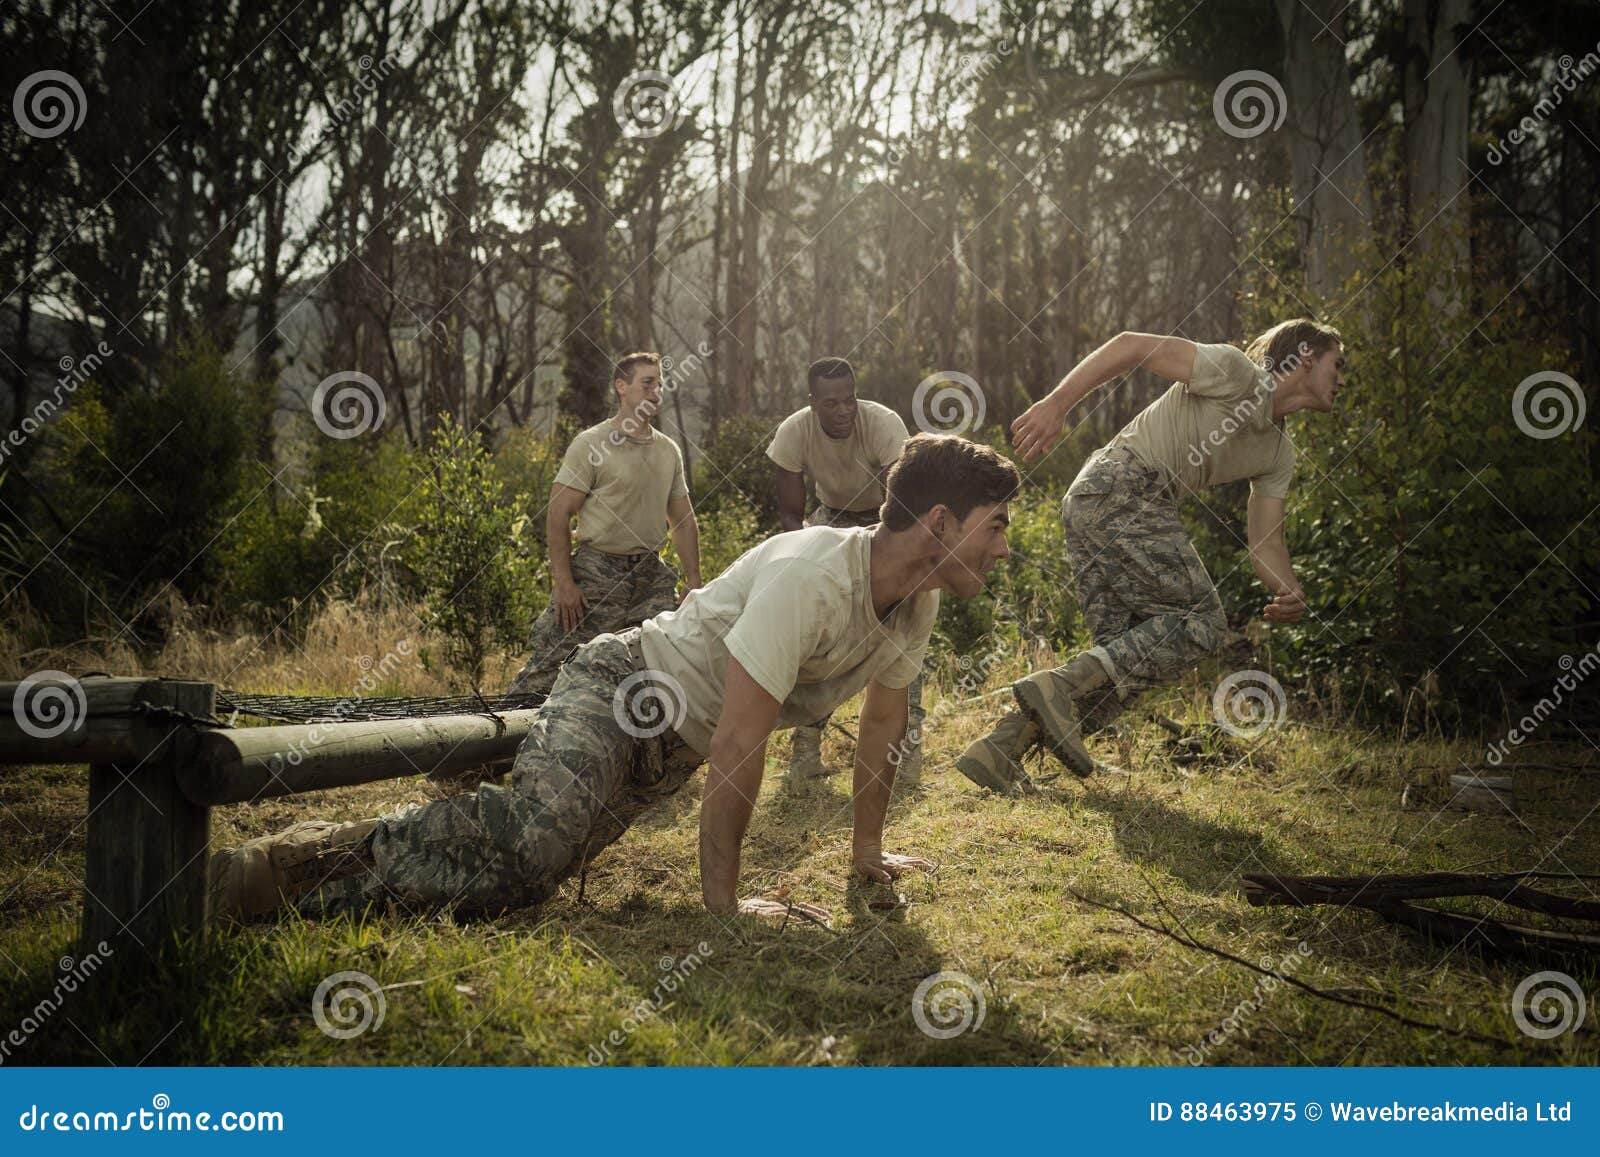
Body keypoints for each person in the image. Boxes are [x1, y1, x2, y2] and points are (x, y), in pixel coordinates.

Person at [210, 434, 1021, 925]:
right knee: (532, 844)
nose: (1004, 548)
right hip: (627, 684)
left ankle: (320, 881)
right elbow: (742, 740)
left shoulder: (915, 604)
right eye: (996, 528)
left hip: (671, 747)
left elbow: (882, 728)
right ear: (941, 524)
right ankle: (265, 874)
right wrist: (723, 906)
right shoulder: (813, 576)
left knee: (526, 877)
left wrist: (868, 851)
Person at [956, 319, 1346, 794]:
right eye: (1336, 364)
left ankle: (997, 751)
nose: (1342, 378)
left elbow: (1265, 543)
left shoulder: (1279, 453)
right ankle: (1052, 689)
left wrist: (1289, 589)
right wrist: (1057, 405)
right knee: (1201, 622)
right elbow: (1129, 347)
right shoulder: (1235, 372)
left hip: (1104, 501)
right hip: (1119, 486)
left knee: (1119, 675)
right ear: (1305, 357)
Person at [505, 351, 701, 700]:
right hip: (597, 571)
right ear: (622, 387)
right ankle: (500, 744)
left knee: (654, 672)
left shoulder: (668, 450)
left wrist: (693, 582)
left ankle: (634, 750)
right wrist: (564, 582)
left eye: (659, 384)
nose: (656, 391)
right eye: (647, 383)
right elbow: (558, 514)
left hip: (649, 576)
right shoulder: (591, 444)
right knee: (547, 672)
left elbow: (683, 521)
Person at [766, 356, 923, 784]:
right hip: (830, 519)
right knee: (821, 633)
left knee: (904, 626)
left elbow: (902, 505)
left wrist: (887, 565)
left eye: (849, 399)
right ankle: (806, 752)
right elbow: (789, 516)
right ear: (813, 402)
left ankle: (903, 753)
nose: (842, 410)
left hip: (887, 521)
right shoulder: (793, 432)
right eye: (831, 403)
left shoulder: (883, 424)